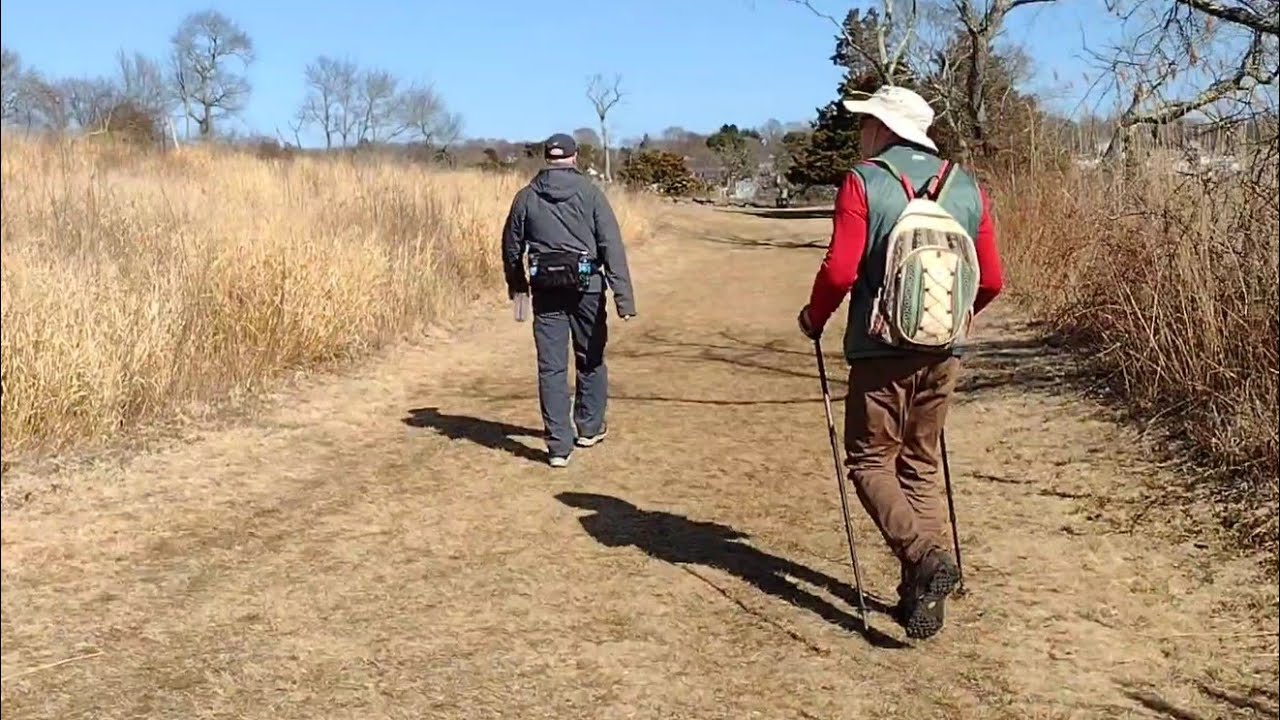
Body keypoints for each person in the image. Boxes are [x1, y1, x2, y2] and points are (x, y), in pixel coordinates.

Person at [795, 86, 1004, 639]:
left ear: (885, 129)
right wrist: (958, 318)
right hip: (945, 351)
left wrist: (815, 319)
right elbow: (994, 278)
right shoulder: (966, 185)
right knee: (919, 464)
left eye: (867, 123)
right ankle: (922, 595)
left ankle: (924, 559)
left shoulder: (865, 180)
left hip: (879, 347)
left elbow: (840, 271)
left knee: (868, 462)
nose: (862, 132)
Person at [501, 133, 637, 468]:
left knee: (551, 368)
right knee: (590, 357)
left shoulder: (526, 198)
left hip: (546, 291)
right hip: (588, 287)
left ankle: (558, 446)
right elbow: (611, 246)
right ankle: (589, 428)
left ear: (547, 159)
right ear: (574, 159)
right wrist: (624, 298)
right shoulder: (591, 194)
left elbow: (510, 248)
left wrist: (518, 286)